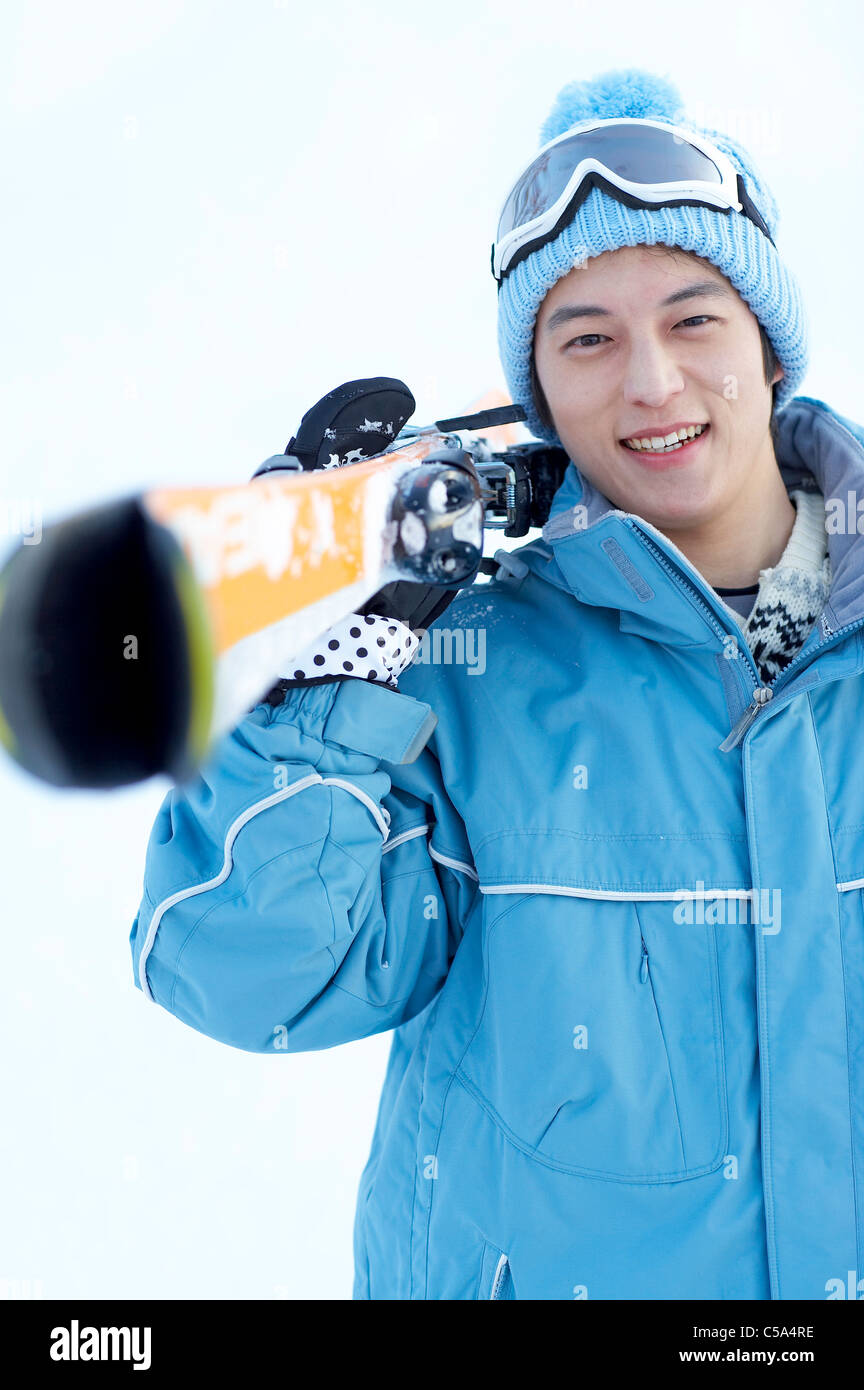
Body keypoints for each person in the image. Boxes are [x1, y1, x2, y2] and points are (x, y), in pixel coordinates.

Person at [131, 67, 864, 1301]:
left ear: (770, 349)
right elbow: (243, 971)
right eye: (587, 339)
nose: (652, 383)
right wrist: (314, 690)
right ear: (537, 400)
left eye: (694, 319)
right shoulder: (460, 678)